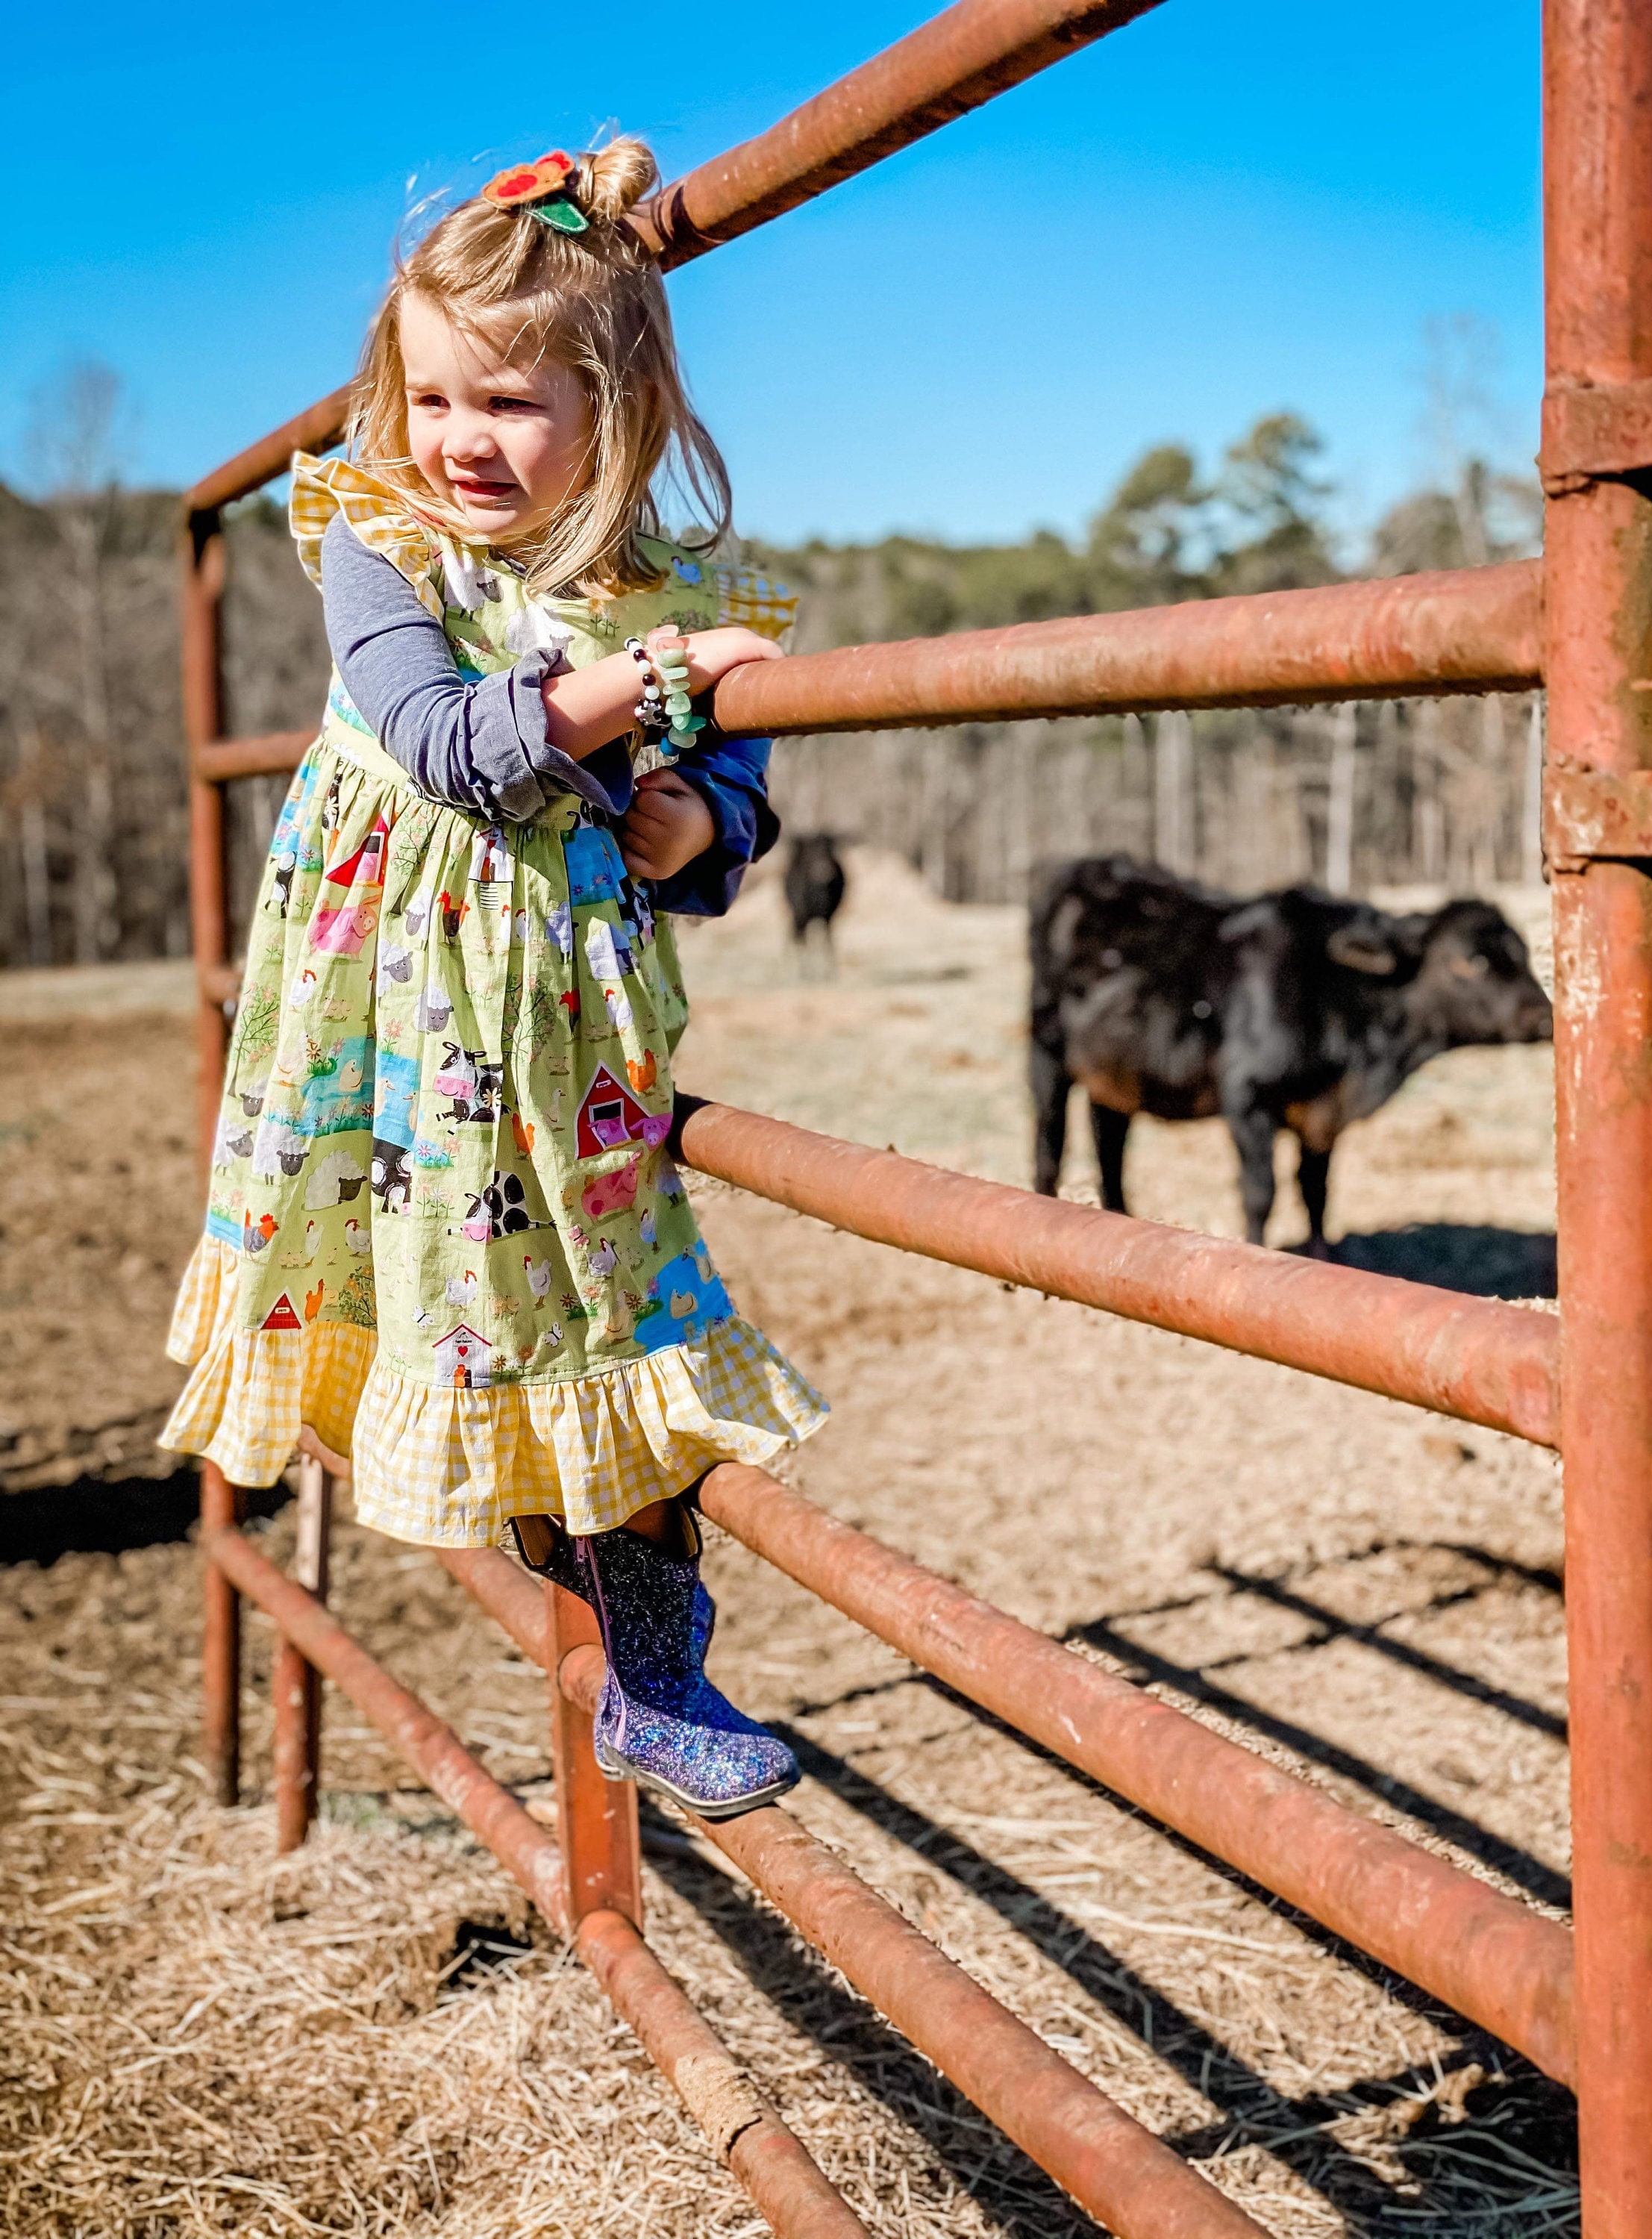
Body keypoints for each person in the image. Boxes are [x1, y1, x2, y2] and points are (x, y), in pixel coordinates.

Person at [162, 137, 827, 1817]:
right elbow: (451, 743)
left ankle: (658, 1667)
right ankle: (592, 1625)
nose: (463, 441)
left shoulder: (659, 594)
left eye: (513, 405)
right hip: (391, 1035)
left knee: (604, 1305)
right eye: (436, 397)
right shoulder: (380, 546)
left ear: (620, 415)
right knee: (449, 1304)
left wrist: (698, 825)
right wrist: (654, 680)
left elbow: (730, 801)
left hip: (565, 1021)